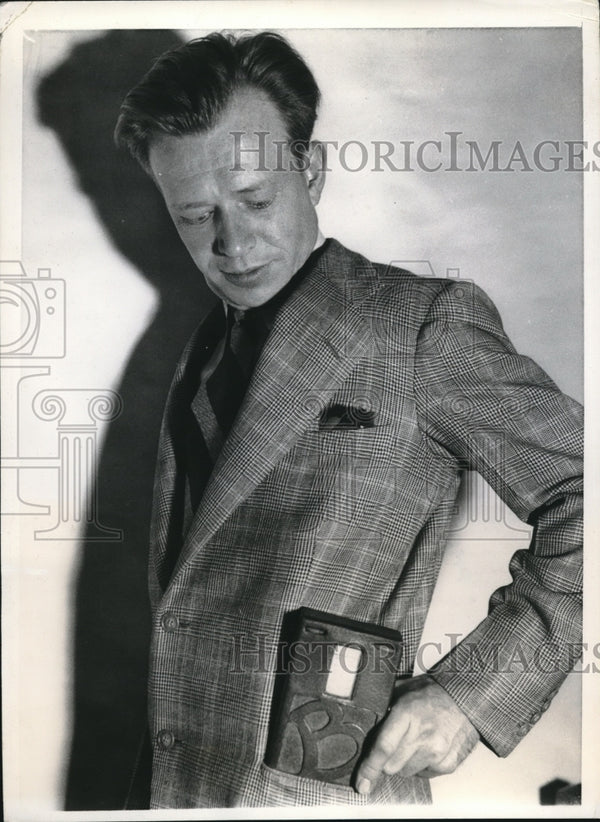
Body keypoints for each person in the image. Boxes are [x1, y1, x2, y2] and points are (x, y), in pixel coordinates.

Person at [114, 31, 583, 808]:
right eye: (195, 216)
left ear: (313, 170)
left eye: (257, 199)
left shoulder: (420, 327)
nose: (231, 244)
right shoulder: (198, 351)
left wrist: (470, 694)